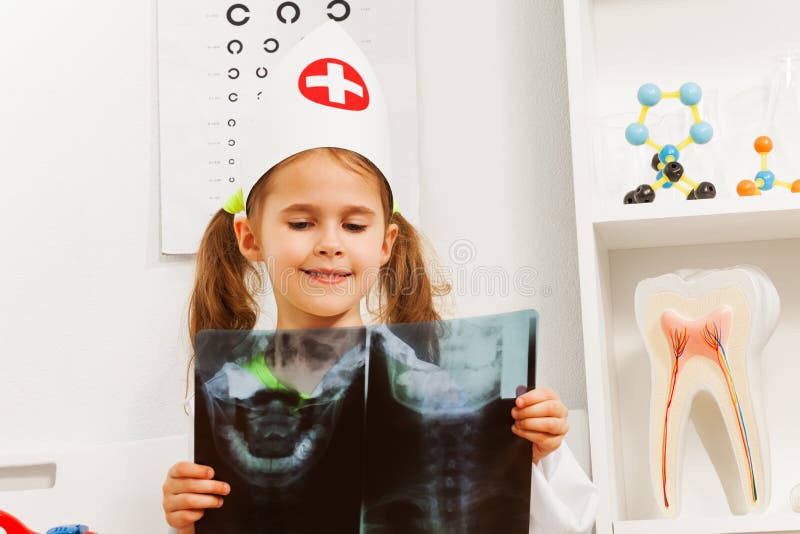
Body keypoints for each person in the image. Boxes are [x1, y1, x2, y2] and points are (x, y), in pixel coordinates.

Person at [162, 21, 597, 534]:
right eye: (301, 223)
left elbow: (567, 526)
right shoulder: (219, 398)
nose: (330, 243)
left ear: (385, 243)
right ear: (250, 237)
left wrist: (538, 453)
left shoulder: (440, 388)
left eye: (354, 225)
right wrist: (187, 521)